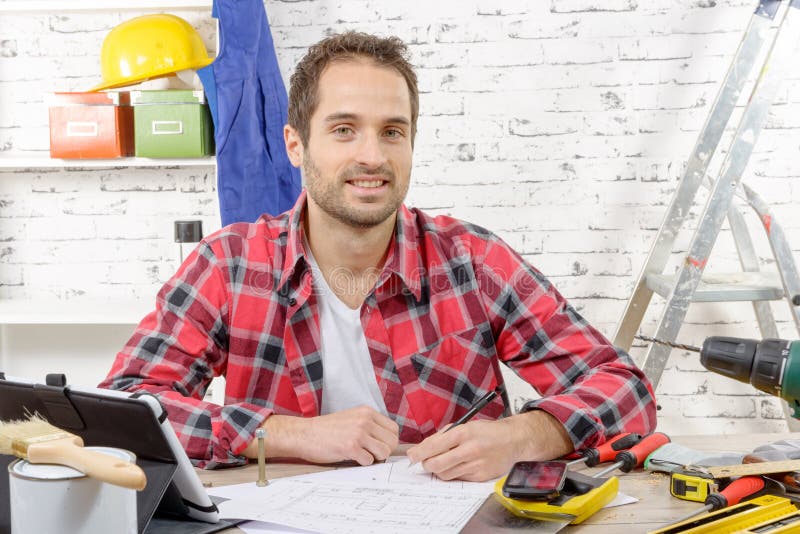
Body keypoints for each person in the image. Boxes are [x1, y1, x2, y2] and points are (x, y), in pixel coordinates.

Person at [100, 31, 657, 482]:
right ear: (297, 144)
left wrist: (525, 435)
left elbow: (623, 387)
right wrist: (283, 433)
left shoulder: (474, 261)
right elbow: (121, 410)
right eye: (344, 130)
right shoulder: (229, 265)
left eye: (393, 132)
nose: (373, 156)